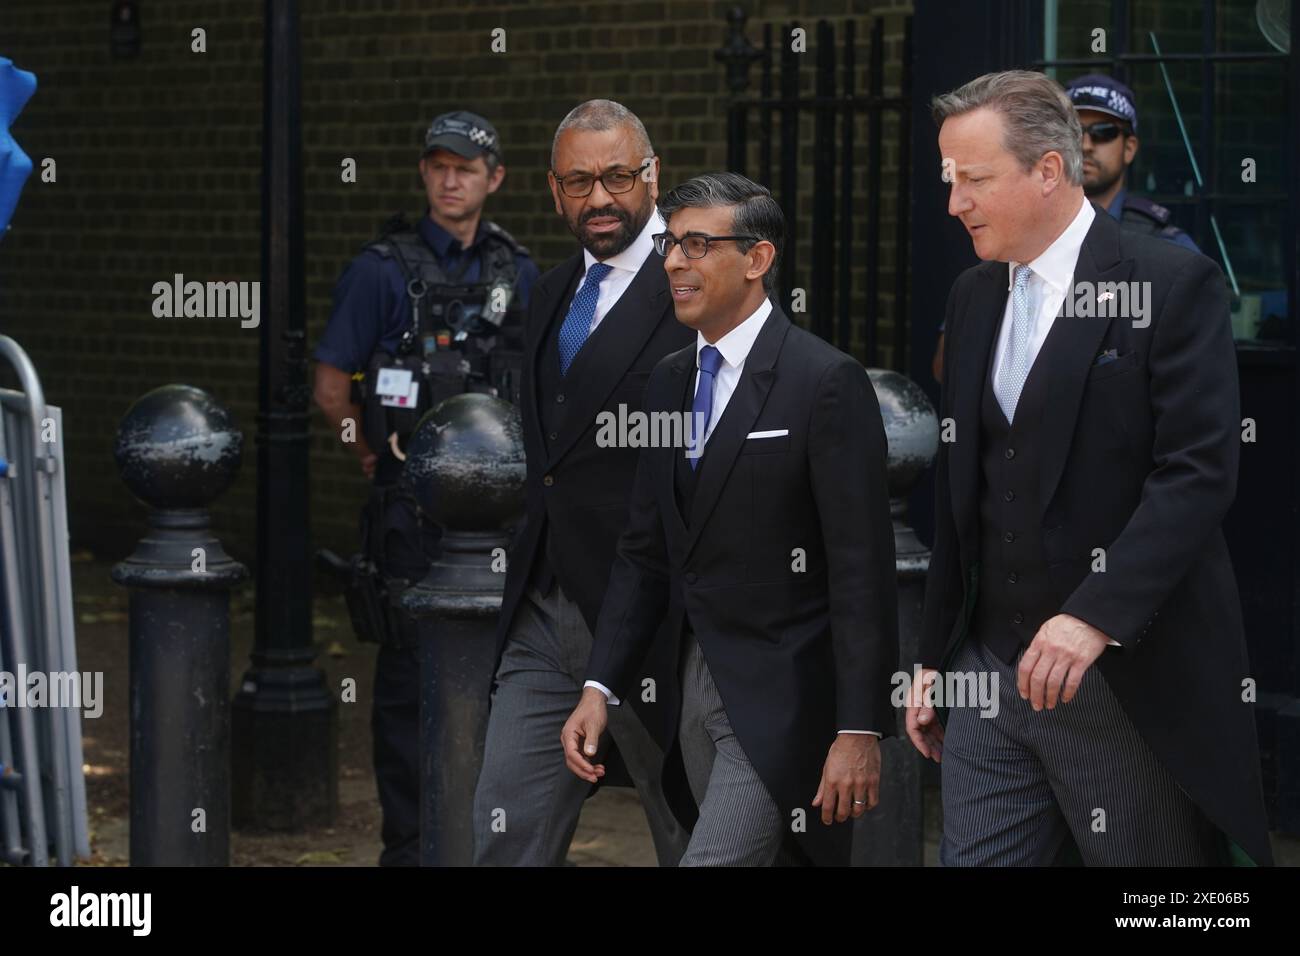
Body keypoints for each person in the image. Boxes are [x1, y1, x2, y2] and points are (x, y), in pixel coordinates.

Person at [909, 70, 1271, 866]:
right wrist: (935, 657)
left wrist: (1094, 617)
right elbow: (963, 491)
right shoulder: (972, 296)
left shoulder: (1172, 283)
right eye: (949, 179)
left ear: (1047, 170)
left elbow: (1198, 471)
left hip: (1121, 684)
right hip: (986, 679)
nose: (954, 202)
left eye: (973, 180)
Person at [561, 172, 898, 866]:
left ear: (757, 259)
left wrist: (860, 728)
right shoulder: (665, 381)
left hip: (785, 702)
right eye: (670, 245)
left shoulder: (825, 381)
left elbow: (861, 572)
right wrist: (601, 686)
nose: (676, 262)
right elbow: (645, 550)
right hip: (688, 692)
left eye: (696, 244)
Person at [471, 100, 694, 866]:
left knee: (692, 837)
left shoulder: (700, 284)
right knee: (505, 826)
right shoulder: (550, 291)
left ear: (653, 175)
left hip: (657, 619)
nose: (599, 198)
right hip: (543, 606)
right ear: (553, 189)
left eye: (618, 177)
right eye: (579, 181)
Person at [313, 109, 538, 867]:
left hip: (502, 520)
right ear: (423, 172)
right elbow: (329, 387)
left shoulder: (521, 271)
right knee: (410, 690)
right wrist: (369, 457)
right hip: (411, 518)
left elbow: (548, 389)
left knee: (511, 680)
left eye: (466, 168)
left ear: (493, 179)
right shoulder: (381, 269)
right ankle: (412, 849)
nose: (450, 180)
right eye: (438, 165)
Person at [932, 72, 1199, 385]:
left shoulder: (1170, 269)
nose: (1085, 144)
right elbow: (951, 377)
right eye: (1078, 130)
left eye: (1103, 132)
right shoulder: (981, 279)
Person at [1066, 73, 1200, 252]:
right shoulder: (1032, 231)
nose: (1085, 145)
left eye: (1104, 132)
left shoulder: (1165, 246)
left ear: (1129, 149)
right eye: (1074, 132)